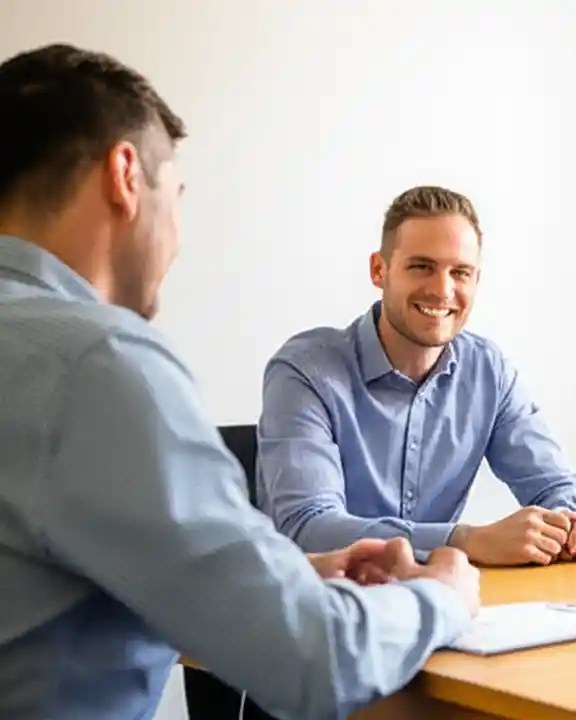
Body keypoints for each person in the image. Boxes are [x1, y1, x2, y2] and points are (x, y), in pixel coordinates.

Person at [0, 44, 480, 720]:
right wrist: (444, 595)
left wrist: (273, 580)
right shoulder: (97, 363)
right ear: (125, 175)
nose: (176, 236)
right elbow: (314, 664)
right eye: (177, 197)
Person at [256, 185, 576, 566]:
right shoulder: (305, 372)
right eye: (422, 266)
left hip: (438, 600)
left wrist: (575, 524)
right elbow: (309, 527)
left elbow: (556, 484)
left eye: (461, 272)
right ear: (379, 270)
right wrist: (465, 541)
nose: (443, 290)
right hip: (323, 604)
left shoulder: (489, 371)